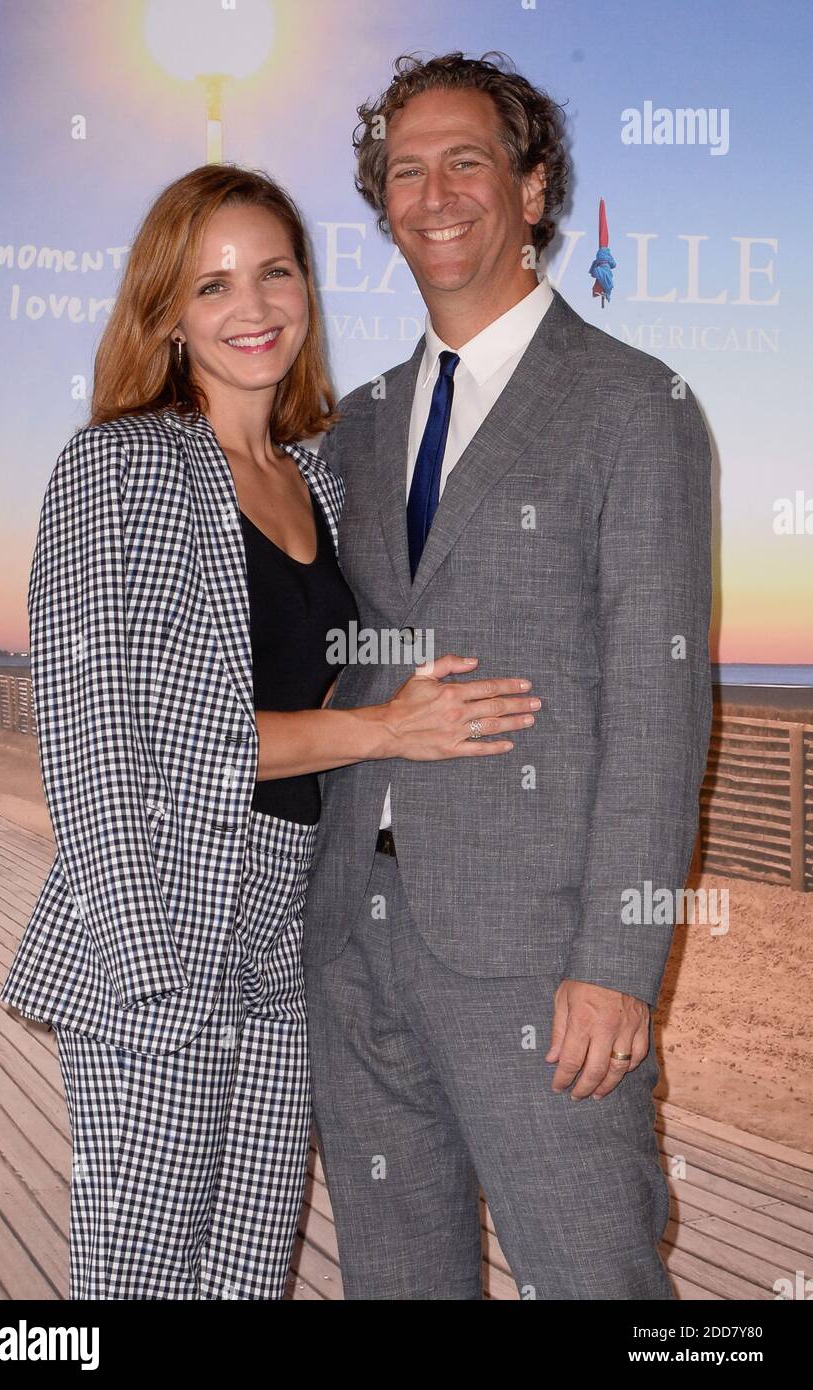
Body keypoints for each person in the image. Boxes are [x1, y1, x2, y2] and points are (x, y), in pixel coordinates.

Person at [0, 163, 540, 1300]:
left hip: (288, 943)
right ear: (168, 313)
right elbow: (106, 738)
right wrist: (148, 966)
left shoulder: (318, 482)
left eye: (274, 272)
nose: (252, 308)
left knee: (246, 1273)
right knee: (140, 1279)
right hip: (160, 931)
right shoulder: (119, 466)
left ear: (307, 288)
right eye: (212, 285)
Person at [302, 51, 713, 1300]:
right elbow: (352, 640)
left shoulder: (635, 405)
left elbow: (659, 702)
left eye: (465, 160)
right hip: (353, 944)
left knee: (596, 1281)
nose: (432, 192)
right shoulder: (356, 421)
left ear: (533, 191)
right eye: (405, 171)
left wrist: (617, 964)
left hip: (541, 960)